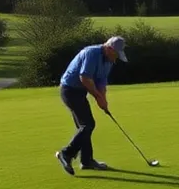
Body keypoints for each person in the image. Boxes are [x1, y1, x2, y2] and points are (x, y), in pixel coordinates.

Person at [54, 36, 128, 175]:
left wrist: (103, 100)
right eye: (115, 54)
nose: (116, 57)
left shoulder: (109, 61)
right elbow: (85, 78)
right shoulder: (91, 53)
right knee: (87, 125)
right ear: (109, 48)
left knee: (84, 127)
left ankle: (86, 161)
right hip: (69, 90)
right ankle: (66, 153)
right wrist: (97, 97)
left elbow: (101, 82)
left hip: (80, 92)